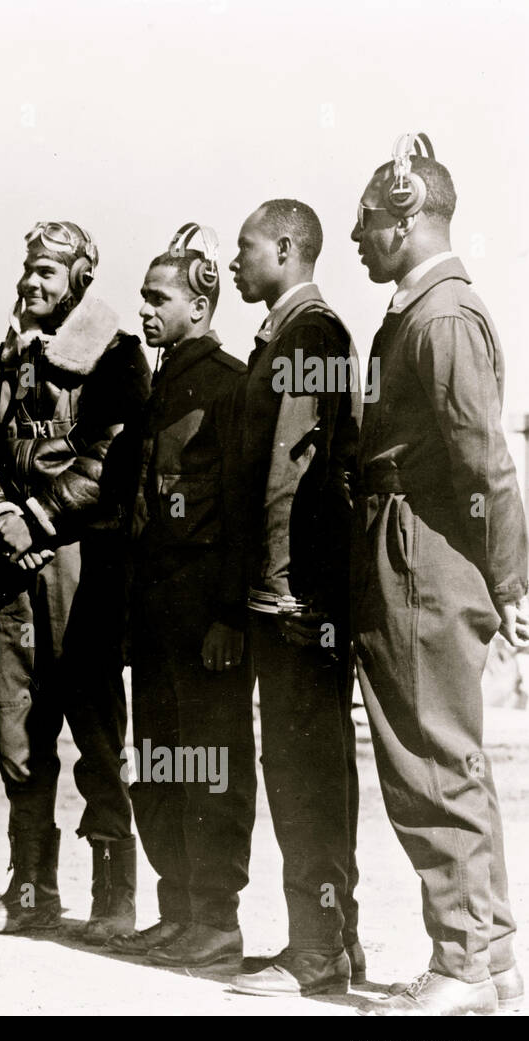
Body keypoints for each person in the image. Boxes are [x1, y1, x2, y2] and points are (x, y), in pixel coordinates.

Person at [349, 135, 528, 1015]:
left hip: (421, 551)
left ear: (409, 214)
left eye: (369, 222)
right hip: (418, 545)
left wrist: (512, 583)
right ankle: (488, 956)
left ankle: (459, 961)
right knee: (450, 756)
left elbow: (486, 465)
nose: (357, 237)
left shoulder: (442, 315)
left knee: (427, 759)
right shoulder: (422, 311)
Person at [0, 221, 150, 942]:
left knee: (96, 726)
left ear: (80, 278)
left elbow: (111, 455)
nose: (33, 282)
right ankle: (31, 884)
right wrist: (3, 512)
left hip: (83, 565)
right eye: (28, 268)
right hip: (12, 562)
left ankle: (113, 894)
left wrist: (40, 517)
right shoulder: (4, 361)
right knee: (17, 722)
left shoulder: (119, 357)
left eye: (48, 271)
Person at [224, 200, 365, 997]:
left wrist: (278, 592)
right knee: (307, 767)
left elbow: (292, 474)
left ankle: (317, 950)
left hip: (297, 602)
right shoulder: (292, 333)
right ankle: (332, 942)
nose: (237, 262)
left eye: (246, 248)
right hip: (297, 596)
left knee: (305, 769)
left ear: (284, 247)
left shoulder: (309, 334)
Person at [106, 224, 256, 969]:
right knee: (160, 764)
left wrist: (231, 613)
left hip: (205, 618)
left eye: (158, 297)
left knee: (209, 764)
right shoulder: (156, 388)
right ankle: (178, 909)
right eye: (142, 296)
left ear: (200, 305)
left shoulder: (230, 385)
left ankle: (217, 920)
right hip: (156, 615)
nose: (145, 310)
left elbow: (242, 511)